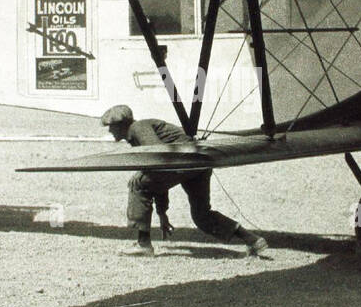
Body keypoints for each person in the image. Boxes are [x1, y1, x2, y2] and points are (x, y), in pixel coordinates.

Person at [100, 104, 267, 257]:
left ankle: (143, 244)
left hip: (182, 162)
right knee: (202, 216)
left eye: (111, 126)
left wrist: (146, 179)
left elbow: (158, 157)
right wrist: (162, 212)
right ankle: (253, 240)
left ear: (121, 124)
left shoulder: (138, 127)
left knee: (138, 184)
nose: (110, 131)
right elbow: (159, 170)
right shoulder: (138, 130)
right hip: (197, 163)